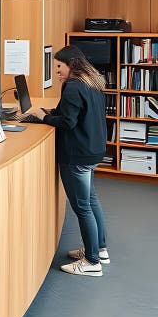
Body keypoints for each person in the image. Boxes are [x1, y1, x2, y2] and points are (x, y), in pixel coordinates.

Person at [26, 45, 109, 277]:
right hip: (93, 151)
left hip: (77, 155)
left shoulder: (72, 86)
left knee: (82, 207)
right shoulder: (91, 82)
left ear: (72, 64)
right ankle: (100, 249)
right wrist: (51, 113)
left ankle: (92, 262)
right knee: (91, 200)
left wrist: (43, 117)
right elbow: (74, 114)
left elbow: (68, 123)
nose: (57, 72)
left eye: (59, 67)